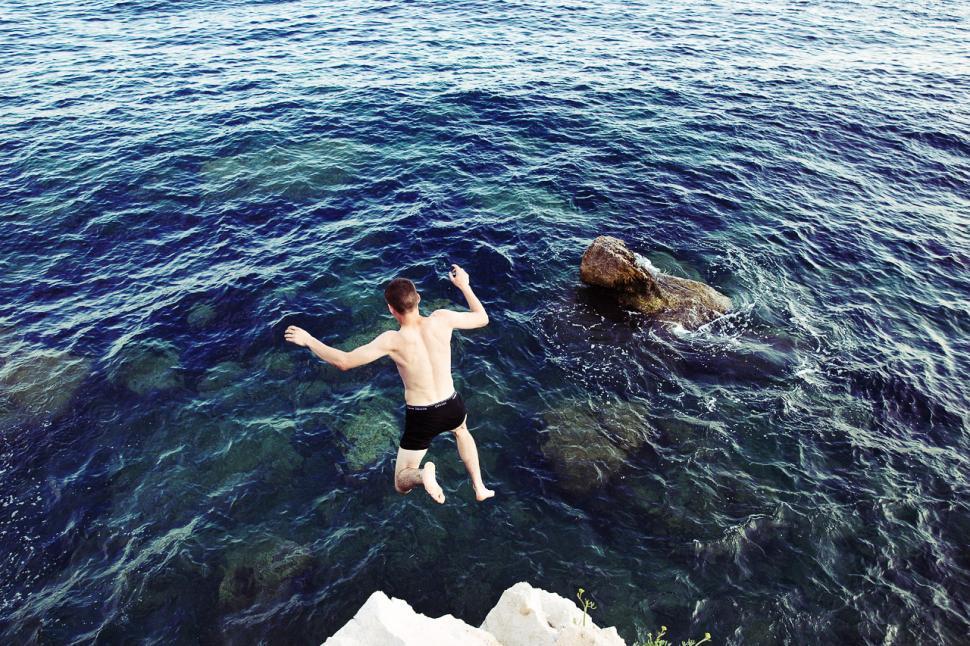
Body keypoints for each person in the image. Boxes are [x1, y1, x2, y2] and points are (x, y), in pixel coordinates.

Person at [284, 264, 495, 504]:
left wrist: (309, 340)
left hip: (423, 416)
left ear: (391, 310)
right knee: (461, 431)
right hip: (452, 404)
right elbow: (482, 318)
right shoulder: (442, 319)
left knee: (401, 482)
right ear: (418, 299)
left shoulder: (392, 340)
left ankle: (422, 475)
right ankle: (479, 486)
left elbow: (344, 361)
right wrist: (465, 286)